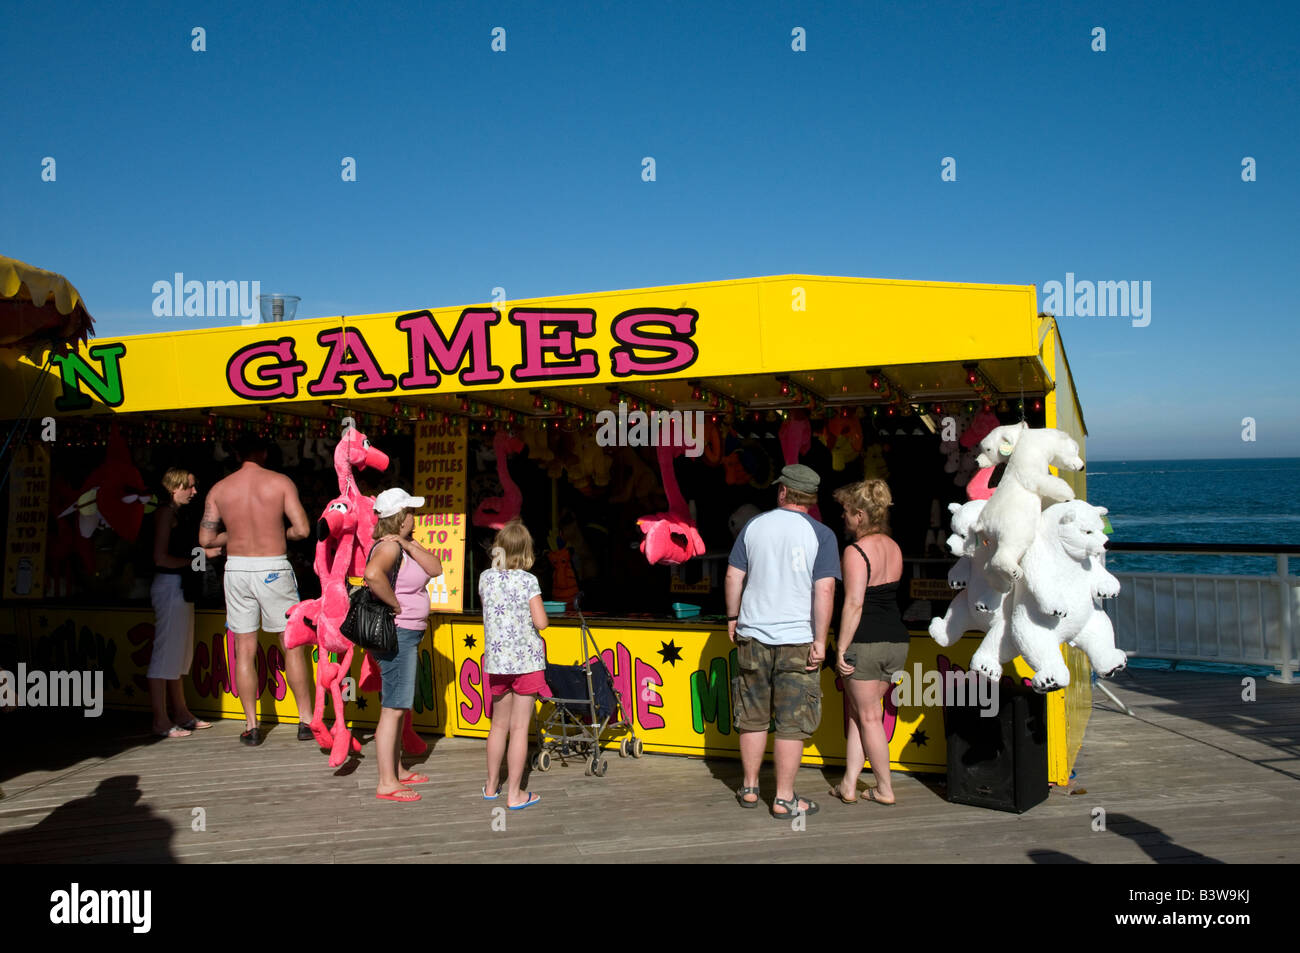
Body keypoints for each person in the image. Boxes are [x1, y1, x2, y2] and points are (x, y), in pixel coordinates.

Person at [725, 463, 840, 818]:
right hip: (797, 640)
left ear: (783, 492)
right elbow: (825, 589)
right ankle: (784, 798)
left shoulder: (753, 526)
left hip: (753, 635)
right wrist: (821, 640)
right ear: (812, 497)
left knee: (753, 715)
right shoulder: (822, 535)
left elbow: (733, 575)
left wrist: (733, 617)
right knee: (792, 720)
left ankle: (749, 787)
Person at [199, 434, 312, 746]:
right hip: (273, 567)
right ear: (264, 451)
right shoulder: (280, 482)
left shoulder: (220, 489)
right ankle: (306, 721)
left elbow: (206, 540)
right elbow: (302, 530)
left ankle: (251, 726)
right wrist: (278, 530)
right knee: (291, 645)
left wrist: (232, 535)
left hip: (237, 569)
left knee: (244, 650)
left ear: (234, 453)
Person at [829, 479, 907, 806]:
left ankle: (884, 788)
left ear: (860, 515)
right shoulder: (894, 547)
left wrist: (841, 648)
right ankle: (849, 783)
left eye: (847, 512)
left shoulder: (855, 551)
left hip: (866, 642)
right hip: (896, 641)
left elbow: (854, 603)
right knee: (859, 714)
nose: (844, 518)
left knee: (869, 717)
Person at [363, 488, 443, 803]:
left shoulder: (403, 545)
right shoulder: (388, 549)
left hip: (406, 634)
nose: (415, 517)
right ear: (400, 517)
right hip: (398, 634)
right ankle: (386, 782)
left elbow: (435, 569)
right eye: (411, 512)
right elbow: (372, 574)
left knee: (395, 706)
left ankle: (395, 768)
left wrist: (409, 543)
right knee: (393, 709)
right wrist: (395, 604)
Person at [479, 519, 548, 811]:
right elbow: (541, 622)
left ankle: (492, 786)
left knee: (498, 726)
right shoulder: (528, 581)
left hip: (497, 662)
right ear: (526, 550)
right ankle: (515, 794)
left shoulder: (485, 578)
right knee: (520, 729)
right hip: (526, 662)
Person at [150, 468, 222, 737]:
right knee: (165, 654)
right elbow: (161, 557)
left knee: (178, 654)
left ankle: (180, 712)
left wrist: (207, 553)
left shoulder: (177, 514)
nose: (194, 492)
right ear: (173, 488)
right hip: (170, 584)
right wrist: (195, 561)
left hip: (179, 586)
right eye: (188, 487)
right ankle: (160, 719)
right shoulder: (166, 513)